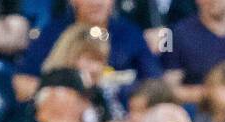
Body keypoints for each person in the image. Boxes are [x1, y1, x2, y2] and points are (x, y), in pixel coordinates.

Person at [16, 0, 161, 100]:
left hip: (119, 119)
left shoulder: (130, 33)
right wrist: (61, 88)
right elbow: (21, 82)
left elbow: (155, 83)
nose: (96, 3)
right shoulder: (52, 34)